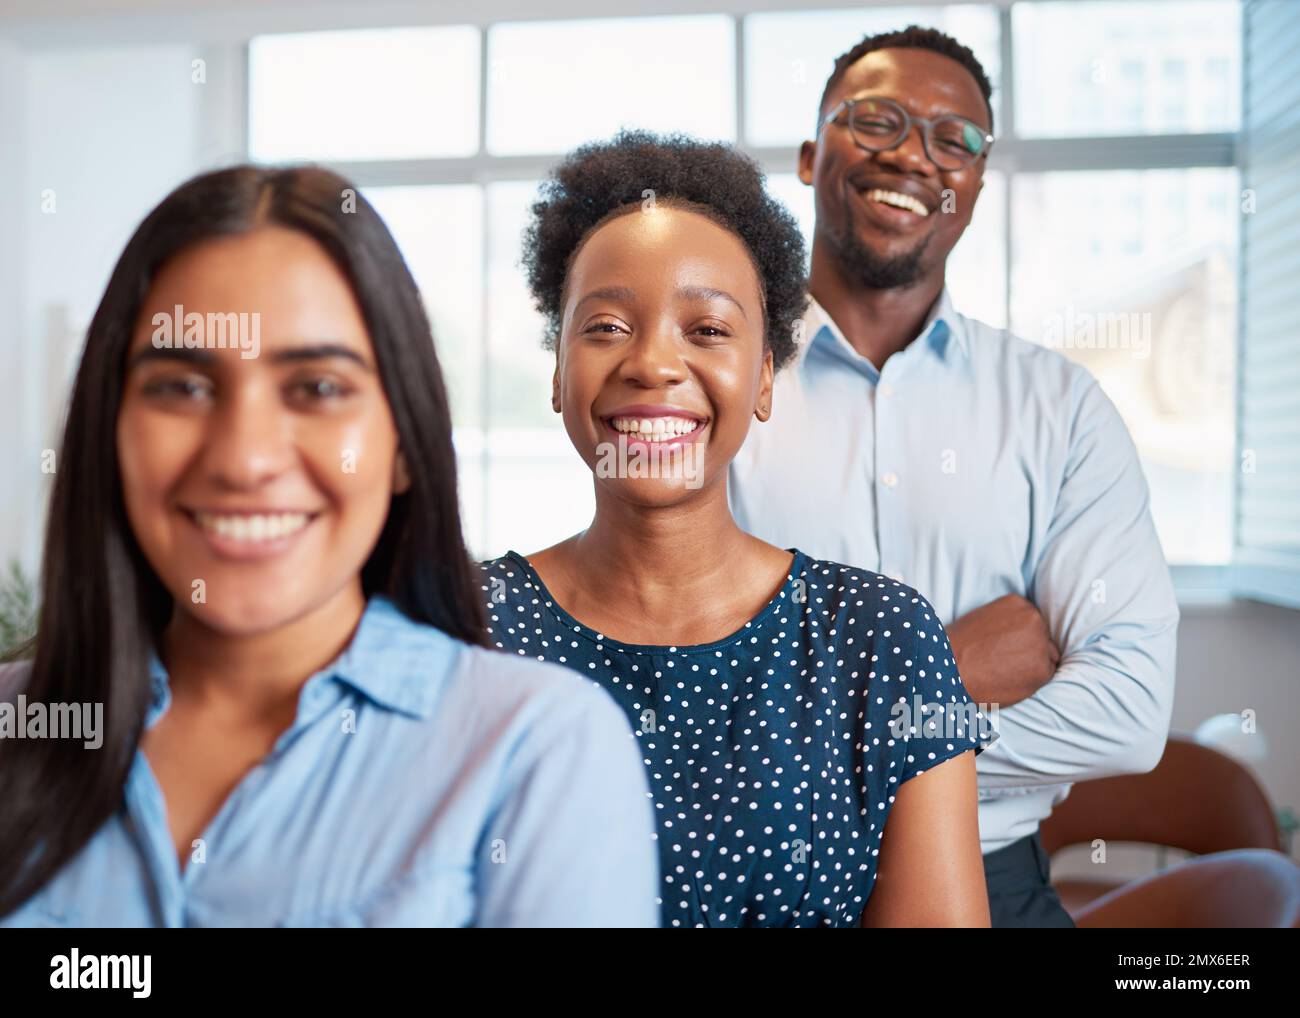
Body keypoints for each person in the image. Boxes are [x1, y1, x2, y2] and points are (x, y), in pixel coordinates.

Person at [0, 164, 658, 928]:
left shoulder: (535, 751)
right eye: (181, 386)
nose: (244, 459)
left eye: (317, 388)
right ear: (111, 430)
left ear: (404, 445)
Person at [480, 130, 996, 928]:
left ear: (762, 378)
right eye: (607, 326)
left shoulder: (879, 639)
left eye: (708, 330)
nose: (653, 363)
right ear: (557, 373)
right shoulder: (463, 629)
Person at [729, 25, 1180, 928]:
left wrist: (855, 725)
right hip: (767, 881)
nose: (914, 154)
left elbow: (1129, 709)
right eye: (878, 120)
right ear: (814, 154)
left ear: (974, 183)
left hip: (996, 882)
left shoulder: (1059, 407)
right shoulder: (719, 388)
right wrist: (949, 675)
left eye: (954, 139)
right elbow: (679, 694)